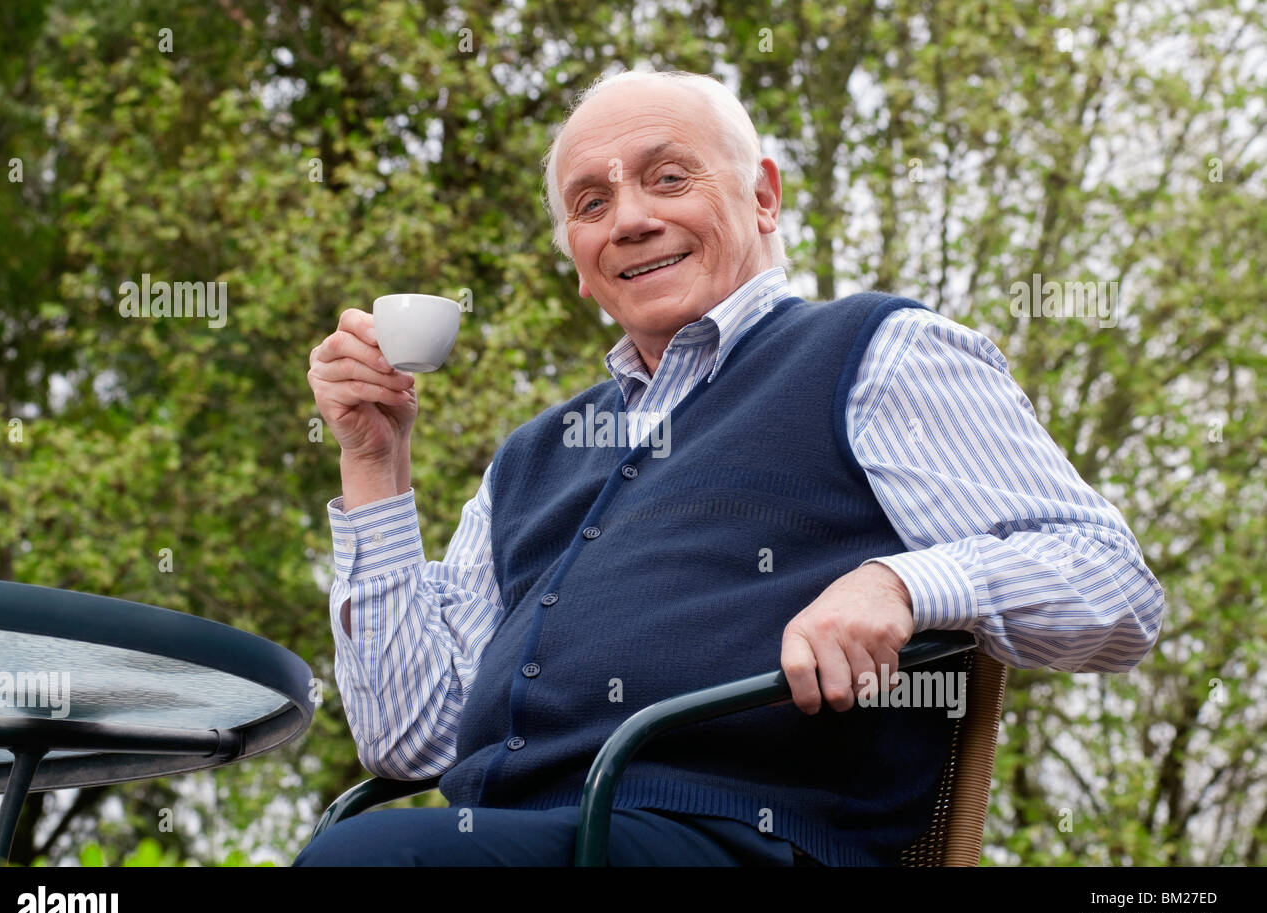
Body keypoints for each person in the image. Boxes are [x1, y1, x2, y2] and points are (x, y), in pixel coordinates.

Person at [297, 69, 1164, 866]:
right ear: (579, 263)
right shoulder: (526, 461)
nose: (630, 217)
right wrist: (374, 461)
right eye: (591, 202)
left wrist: (900, 585)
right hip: (525, 842)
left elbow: (1114, 588)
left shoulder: (876, 354)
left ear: (763, 197)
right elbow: (408, 742)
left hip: (742, 843)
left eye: (669, 178)